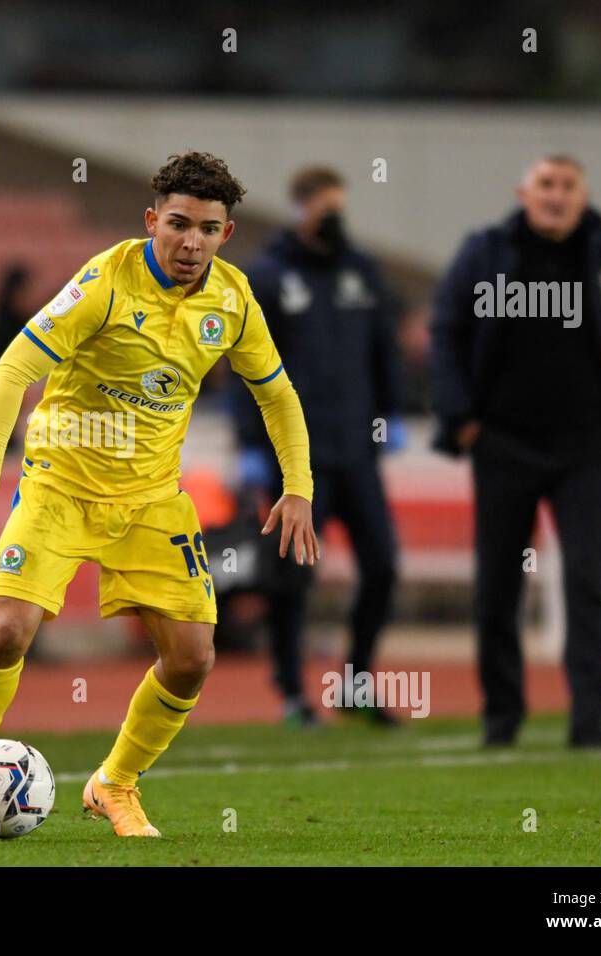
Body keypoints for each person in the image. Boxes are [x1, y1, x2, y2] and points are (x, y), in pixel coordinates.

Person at [0, 152, 320, 838]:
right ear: (152, 220)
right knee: (8, 632)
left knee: (193, 658)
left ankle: (114, 785)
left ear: (227, 234)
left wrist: (298, 489)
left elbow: (277, 395)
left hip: (152, 501)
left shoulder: (233, 299)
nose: (191, 242)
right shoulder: (105, 281)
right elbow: (12, 370)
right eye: (178, 224)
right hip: (59, 489)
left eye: (208, 229)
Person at [430, 154, 601, 748]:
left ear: (583, 194)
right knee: (497, 590)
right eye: (546, 185)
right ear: (523, 192)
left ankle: (589, 722)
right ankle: (501, 721)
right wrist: (461, 418)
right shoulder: (484, 252)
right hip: (502, 443)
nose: (556, 195)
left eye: (567, 186)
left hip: (589, 446)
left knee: (585, 584)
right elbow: (445, 330)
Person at [241, 165, 405, 727]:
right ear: (299, 208)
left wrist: (391, 415)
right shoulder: (267, 276)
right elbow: (246, 367)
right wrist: (251, 446)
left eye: (340, 207)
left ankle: (356, 681)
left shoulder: (362, 273)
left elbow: (386, 352)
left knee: (382, 565)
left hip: (357, 450)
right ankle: (291, 691)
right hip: (295, 460)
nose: (334, 219)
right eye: (324, 208)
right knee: (292, 575)